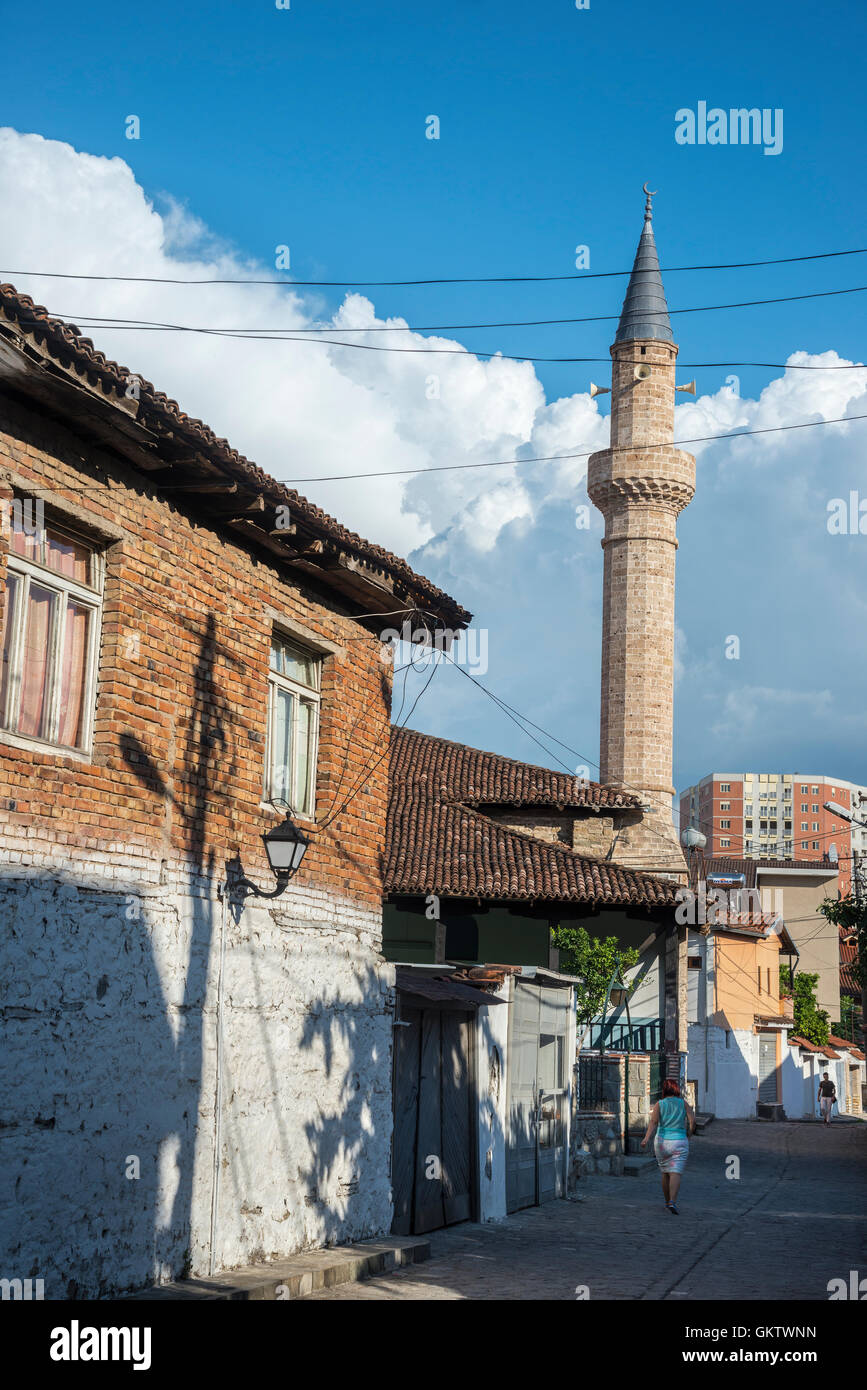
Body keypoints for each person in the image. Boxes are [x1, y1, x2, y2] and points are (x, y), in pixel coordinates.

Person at [641, 1078, 695, 1214]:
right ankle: (672, 1201)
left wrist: (646, 1138)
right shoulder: (683, 1103)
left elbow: (653, 1122)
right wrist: (689, 1133)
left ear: (664, 1090)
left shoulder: (659, 1104)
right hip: (679, 1141)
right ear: (676, 1089)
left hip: (662, 1142)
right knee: (675, 1171)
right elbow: (692, 1120)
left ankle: (666, 1202)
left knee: (665, 1172)